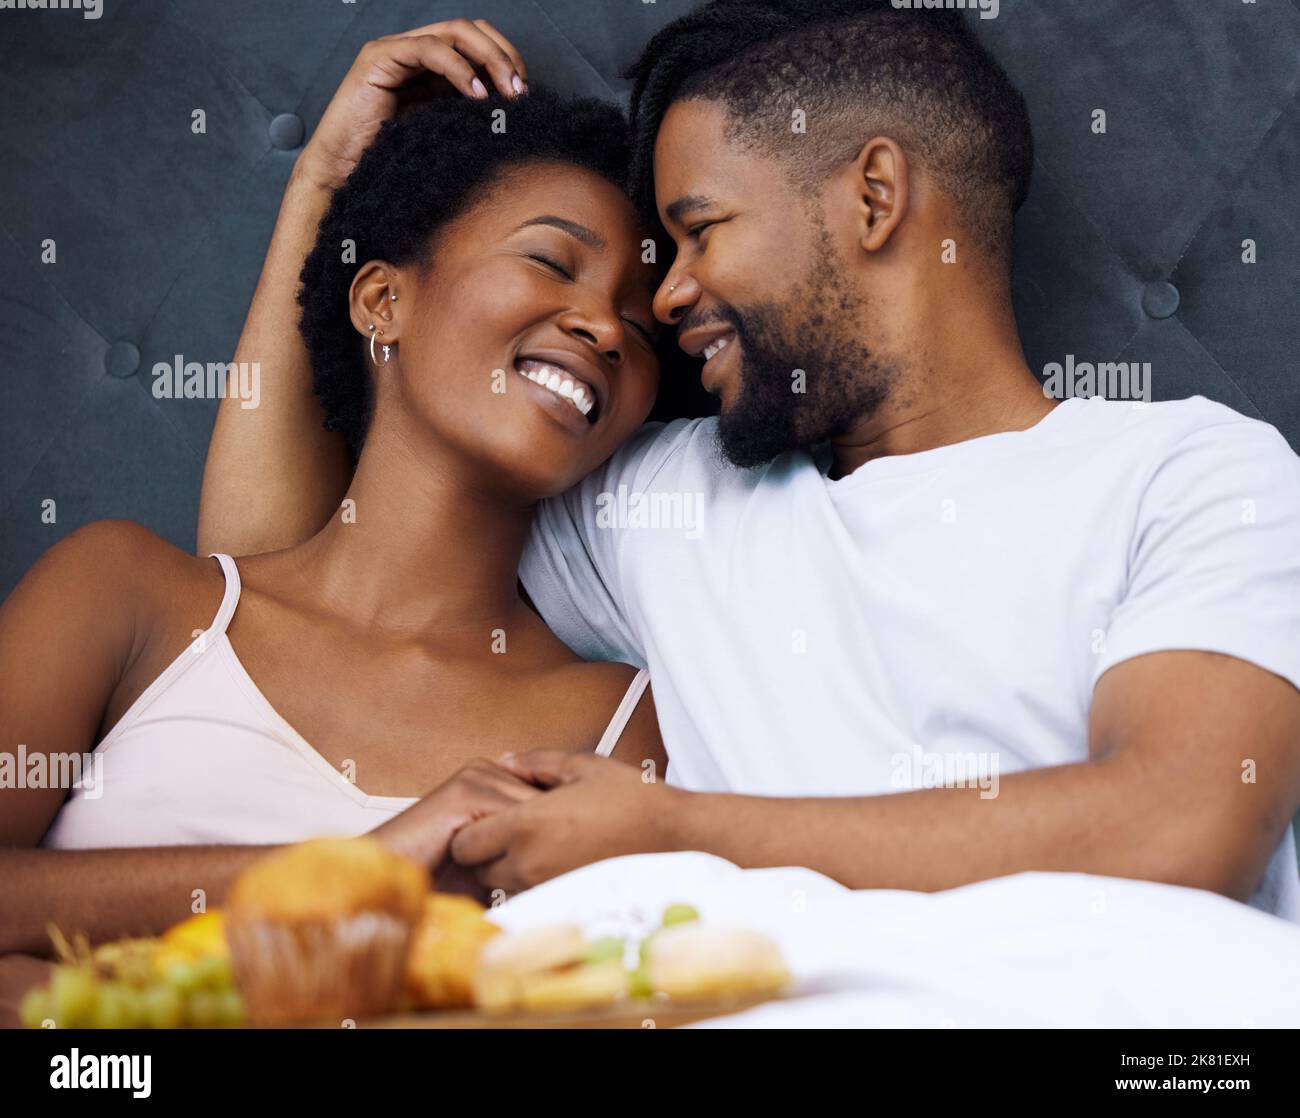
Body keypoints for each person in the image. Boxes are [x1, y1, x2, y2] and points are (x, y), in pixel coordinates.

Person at [200, 4, 1300, 918]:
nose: (668, 295)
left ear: (873, 198)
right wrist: (326, 193)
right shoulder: (662, 500)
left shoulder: (1192, 473)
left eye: (698, 229)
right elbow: (276, 596)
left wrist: (685, 831)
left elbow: (1184, 822)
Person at [0, 23, 668, 957]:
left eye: (640, 327)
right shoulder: (127, 593)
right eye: (552, 263)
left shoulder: (617, 728)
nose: (602, 325)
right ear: (381, 301)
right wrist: (359, 871)